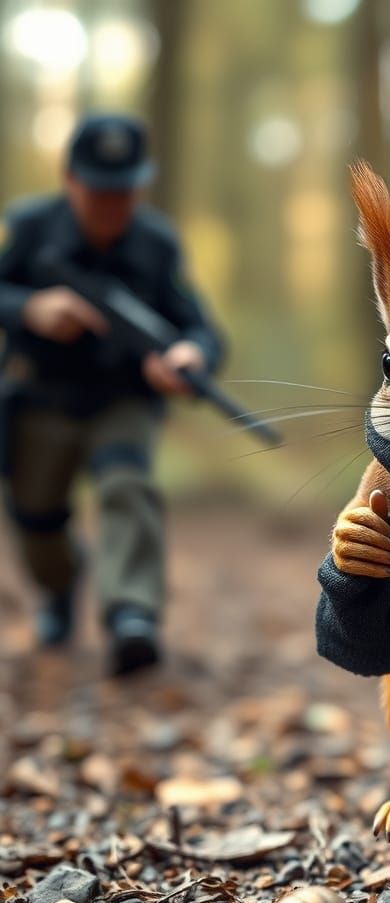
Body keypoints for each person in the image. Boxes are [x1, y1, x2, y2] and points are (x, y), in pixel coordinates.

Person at [0, 113, 226, 674]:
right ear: (70, 179)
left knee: (128, 483)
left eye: (124, 190)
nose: (112, 204)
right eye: (100, 190)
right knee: (36, 516)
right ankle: (60, 588)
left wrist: (190, 355)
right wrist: (29, 308)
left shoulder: (156, 243)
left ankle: (132, 614)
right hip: (41, 399)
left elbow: (199, 327)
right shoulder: (28, 227)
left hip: (121, 400)